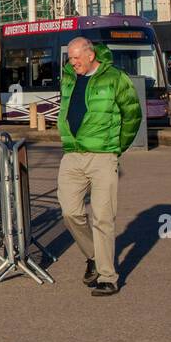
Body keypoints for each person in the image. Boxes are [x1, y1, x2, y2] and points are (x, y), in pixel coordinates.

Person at [56, 36, 142, 296]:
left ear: (90, 55)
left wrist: (116, 147)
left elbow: (133, 114)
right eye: (70, 58)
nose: (72, 62)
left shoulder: (115, 78)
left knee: (103, 217)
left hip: (102, 156)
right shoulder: (69, 77)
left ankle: (108, 276)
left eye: (76, 57)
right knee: (70, 212)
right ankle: (94, 255)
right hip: (72, 154)